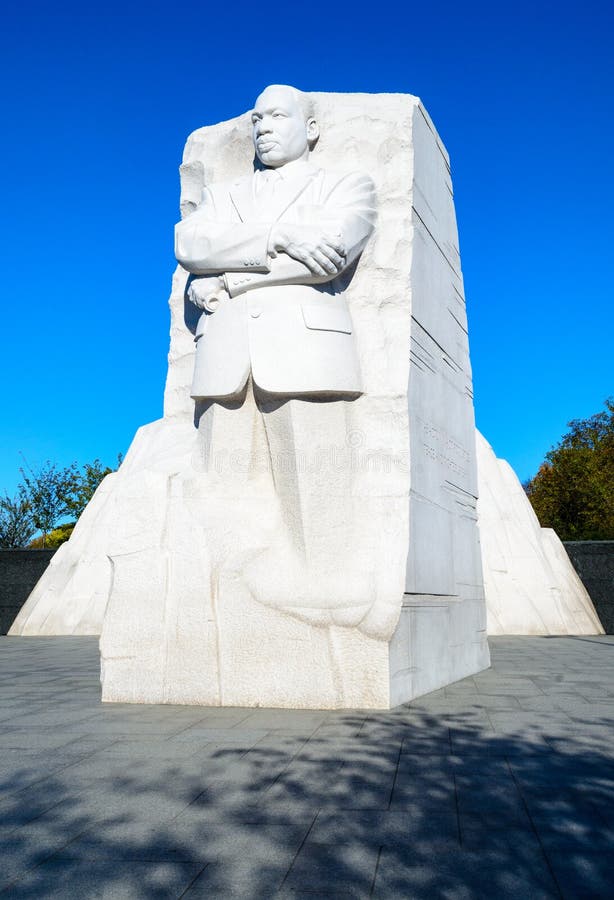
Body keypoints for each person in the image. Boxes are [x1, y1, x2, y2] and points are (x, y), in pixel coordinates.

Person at [175, 83, 376, 399]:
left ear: (310, 129)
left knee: (320, 452)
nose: (263, 129)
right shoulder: (220, 195)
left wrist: (225, 281)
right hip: (221, 360)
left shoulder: (346, 186)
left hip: (310, 357)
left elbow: (328, 260)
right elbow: (191, 246)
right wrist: (279, 235)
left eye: (278, 116)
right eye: (257, 120)